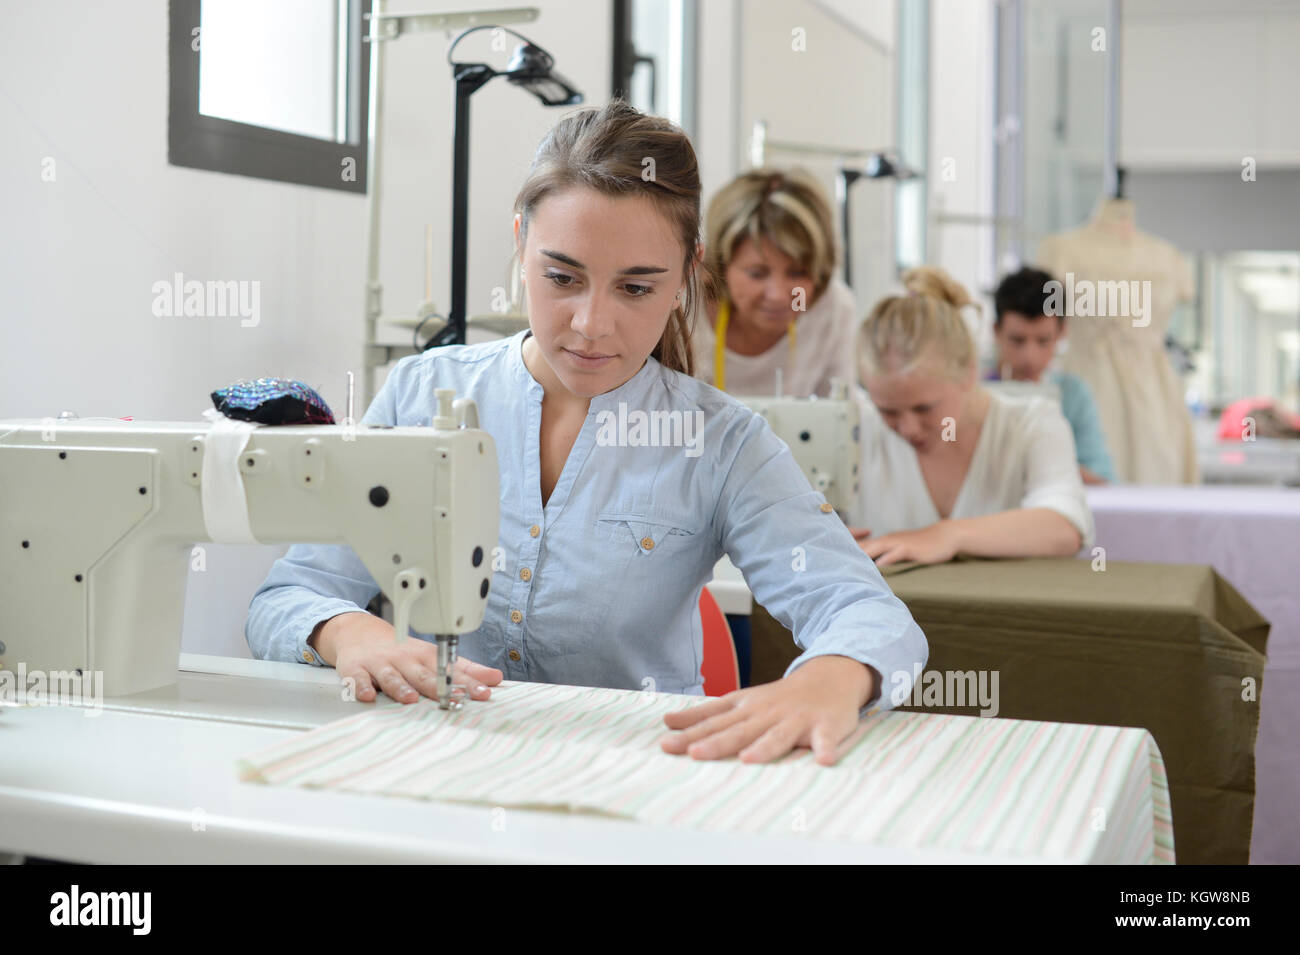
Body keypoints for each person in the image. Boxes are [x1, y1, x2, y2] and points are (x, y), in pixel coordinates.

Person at [245, 100, 927, 766]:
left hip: (636, 784)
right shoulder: (422, 394)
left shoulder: (723, 445)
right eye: (562, 277)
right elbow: (287, 596)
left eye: (635, 289)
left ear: (687, 273)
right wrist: (346, 630)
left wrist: (828, 680)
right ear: (520, 242)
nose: (591, 323)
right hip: (444, 764)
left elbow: (871, 615)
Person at [849, 266, 1095, 567]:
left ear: (969, 372)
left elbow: (1064, 526)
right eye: (887, 410)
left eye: (924, 408)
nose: (908, 428)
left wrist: (946, 536)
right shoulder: (853, 427)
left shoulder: (1034, 423)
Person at [692, 168, 858, 398]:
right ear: (720, 265)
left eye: (798, 273)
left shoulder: (833, 311)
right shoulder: (684, 307)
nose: (778, 295)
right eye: (757, 274)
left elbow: (840, 414)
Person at [990, 267, 1116, 484]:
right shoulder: (976, 391)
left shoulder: (1073, 394)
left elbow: (1101, 478)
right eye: (1017, 340)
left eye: (1043, 341)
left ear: (1061, 332)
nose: (1030, 357)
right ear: (996, 331)